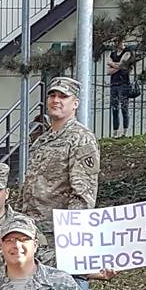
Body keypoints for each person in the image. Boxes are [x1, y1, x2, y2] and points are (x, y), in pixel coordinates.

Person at [21, 77, 99, 221]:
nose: (56, 100)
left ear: (75, 103)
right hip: (31, 226)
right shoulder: (42, 140)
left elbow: (83, 195)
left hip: (57, 229)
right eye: (52, 95)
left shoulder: (81, 138)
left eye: (63, 96)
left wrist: (70, 229)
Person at [0, 213, 86, 290]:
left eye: (24, 239)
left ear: (35, 245)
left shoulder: (62, 283)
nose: (16, 245)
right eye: (9, 240)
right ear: (1, 245)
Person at [107, 41, 139, 133]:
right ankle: (115, 131)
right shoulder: (113, 54)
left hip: (124, 84)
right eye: (120, 42)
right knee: (114, 108)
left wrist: (112, 64)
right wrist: (118, 66)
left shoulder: (127, 52)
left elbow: (123, 65)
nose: (122, 44)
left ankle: (125, 131)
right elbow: (108, 72)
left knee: (124, 108)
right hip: (114, 84)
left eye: (123, 42)